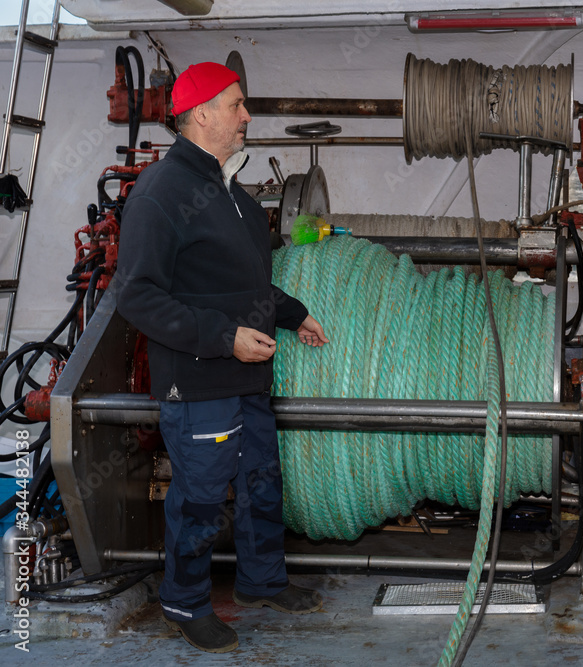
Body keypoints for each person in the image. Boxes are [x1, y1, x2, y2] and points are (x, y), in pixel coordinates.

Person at [116, 61, 329, 654]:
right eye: (236, 104)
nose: (246, 115)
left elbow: (242, 284)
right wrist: (221, 337)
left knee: (262, 481)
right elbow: (135, 294)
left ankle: (262, 581)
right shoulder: (161, 192)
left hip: (247, 374)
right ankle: (184, 601)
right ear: (201, 112)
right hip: (199, 379)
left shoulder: (228, 190)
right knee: (203, 497)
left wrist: (292, 312)